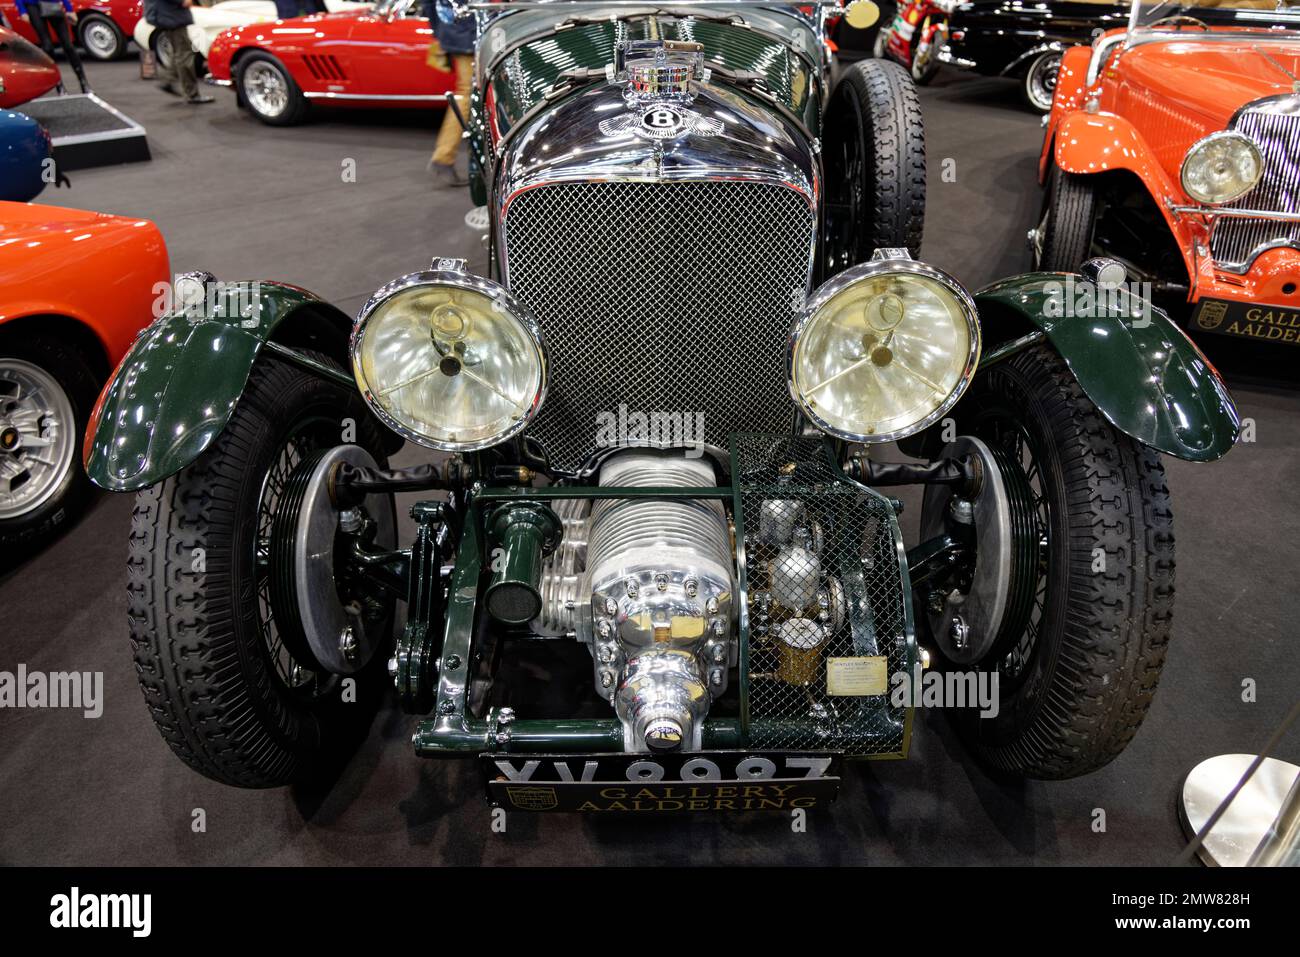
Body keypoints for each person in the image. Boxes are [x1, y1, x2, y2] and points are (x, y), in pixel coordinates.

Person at [424, 0, 474, 187]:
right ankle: (444, 157)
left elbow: (428, 5)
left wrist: (441, 34)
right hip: (470, 34)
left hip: (457, 33)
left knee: (469, 93)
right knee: (468, 94)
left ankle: (446, 159)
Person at [144, 0, 213, 104]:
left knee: (179, 52)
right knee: (184, 55)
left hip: (165, 15)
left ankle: (168, 80)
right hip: (172, 15)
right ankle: (192, 94)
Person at [16, 0, 89, 94]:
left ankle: (84, 83)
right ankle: (59, 85)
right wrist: (22, 11)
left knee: (68, 45)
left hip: (52, 3)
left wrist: (69, 8)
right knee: (47, 47)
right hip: (32, 6)